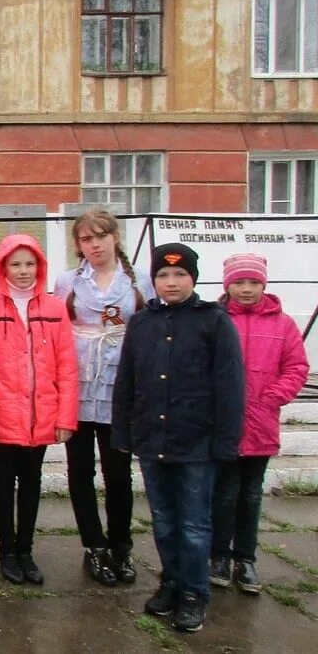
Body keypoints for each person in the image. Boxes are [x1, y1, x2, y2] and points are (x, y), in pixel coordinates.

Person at [114, 243, 244, 634]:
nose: (171, 282)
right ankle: (171, 581)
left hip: (196, 442)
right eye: (163, 276)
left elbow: (230, 386)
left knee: (194, 524)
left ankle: (193, 593)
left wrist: (226, 441)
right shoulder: (142, 322)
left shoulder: (214, 321)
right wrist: (123, 432)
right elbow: (127, 382)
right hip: (153, 439)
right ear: (153, 281)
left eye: (180, 275)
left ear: (193, 278)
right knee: (164, 520)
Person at [53, 209, 155, 587]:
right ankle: (93, 546)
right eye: (85, 239)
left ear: (115, 237)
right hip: (79, 383)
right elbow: (58, 331)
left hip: (120, 385)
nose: (94, 245)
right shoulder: (68, 282)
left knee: (118, 473)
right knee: (80, 471)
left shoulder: (140, 280)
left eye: (100, 236)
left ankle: (121, 546)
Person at [0, 235, 79, 585]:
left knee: (32, 482)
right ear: (3, 268)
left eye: (29, 264)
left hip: (41, 412)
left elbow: (66, 364)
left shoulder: (54, 308)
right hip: (4, 410)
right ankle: (6, 551)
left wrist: (66, 416)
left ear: (40, 267)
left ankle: (26, 550)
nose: (23, 271)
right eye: (15, 264)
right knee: (4, 481)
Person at [210, 254, 309, 594]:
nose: (246, 289)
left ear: (263, 284)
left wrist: (271, 397)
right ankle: (219, 556)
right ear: (228, 285)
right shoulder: (215, 319)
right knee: (223, 493)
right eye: (239, 283)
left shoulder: (283, 324)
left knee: (251, 494)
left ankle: (246, 559)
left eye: (253, 283)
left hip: (261, 422)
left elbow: (296, 367)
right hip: (224, 423)